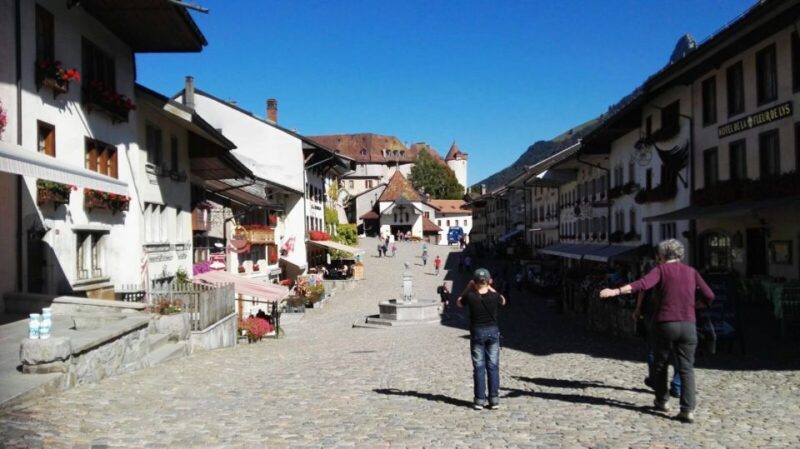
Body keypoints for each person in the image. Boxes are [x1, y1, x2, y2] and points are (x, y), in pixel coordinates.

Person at [599, 239, 714, 424]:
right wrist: (695, 306)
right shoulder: (692, 272)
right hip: (688, 324)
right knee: (686, 368)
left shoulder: (660, 270)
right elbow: (709, 295)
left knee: (661, 364)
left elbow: (642, 284)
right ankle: (687, 410)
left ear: (661, 255)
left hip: (665, 324)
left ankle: (662, 401)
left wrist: (616, 291)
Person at [457, 268, 507, 410]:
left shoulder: (471, 296)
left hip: (477, 333)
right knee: (493, 366)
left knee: (479, 367)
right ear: (489, 281)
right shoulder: (494, 296)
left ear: (474, 282)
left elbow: (459, 302)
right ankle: (494, 399)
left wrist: (467, 287)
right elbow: (503, 301)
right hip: (493, 332)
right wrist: (490, 287)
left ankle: (479, 400)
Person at [633, 257, 682, 398]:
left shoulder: (653, 269)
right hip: (674, 315)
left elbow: (642, 289)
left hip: (652, 313)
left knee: (652, 349)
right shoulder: (680, 272)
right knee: (678, 352)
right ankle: (676, 385)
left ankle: (655, 380)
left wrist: (637, 308)